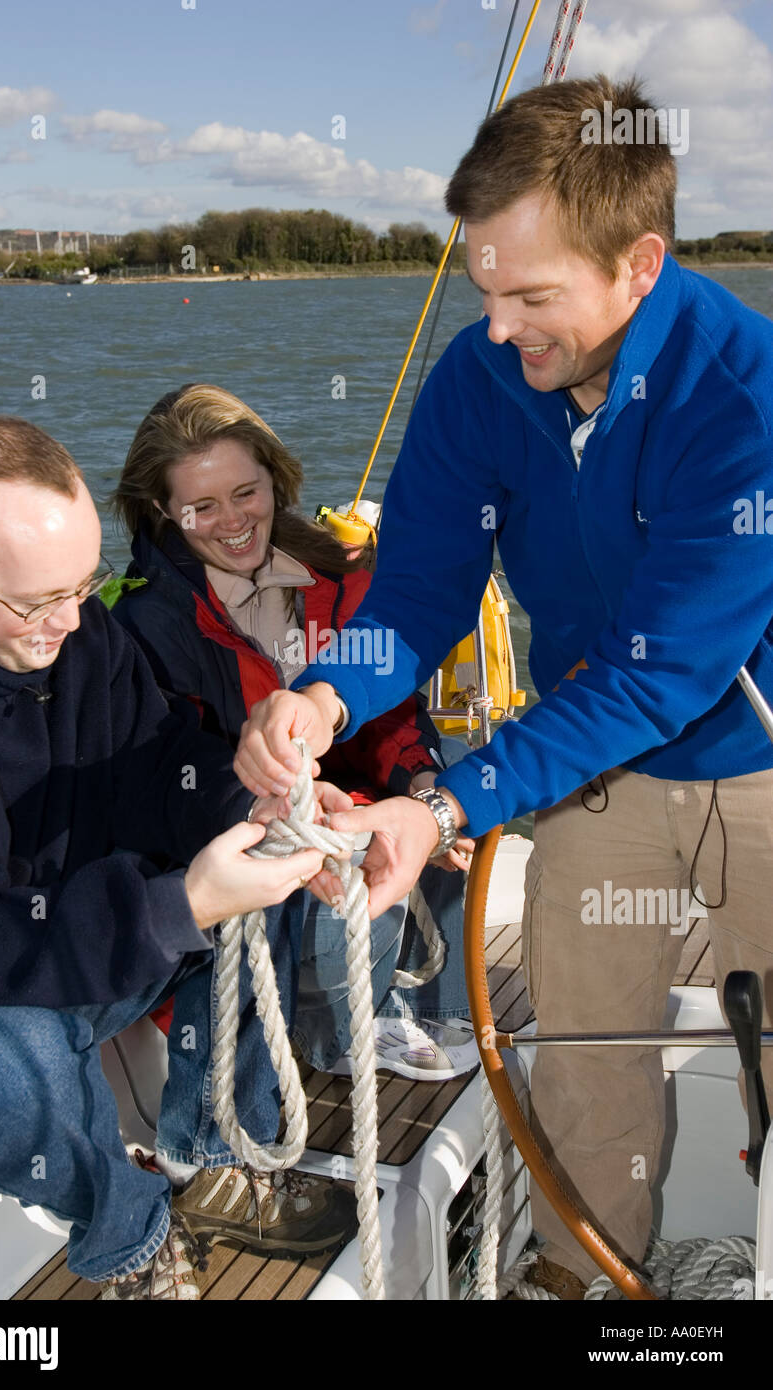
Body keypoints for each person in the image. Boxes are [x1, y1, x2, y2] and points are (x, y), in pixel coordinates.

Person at [233, 74, 773, 1299]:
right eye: (483, 285)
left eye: (531, 295)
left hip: (751, 758)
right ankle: (588, 1279)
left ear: (638, 264)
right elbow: (417, 592)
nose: (494, 327)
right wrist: (321, 697)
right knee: (585, 1046)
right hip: (595, 769)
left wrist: (440, 802)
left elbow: (661, 674)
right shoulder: (480, 380)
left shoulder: (747, 396)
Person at [0, 415, 359, 1302]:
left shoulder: (74, 628)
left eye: (87, 585)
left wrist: (255, 802)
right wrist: (173, 906)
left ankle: (219, 1156)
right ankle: (130, 1232)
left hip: (62, 944)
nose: (75, 622)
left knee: (259, 857)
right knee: (7, 1062)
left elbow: (156, 759)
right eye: (38, 601)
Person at [108, 382, 478, 1085]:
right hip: (243, 837)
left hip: (340, 809)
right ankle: (330, 1032)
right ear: (161, 510)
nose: (232, 523)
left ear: (275, 477)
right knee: (347, 840)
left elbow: (393, 711)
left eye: (246, 493)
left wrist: (423, 784)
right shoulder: (143, 626)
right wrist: (304, 808)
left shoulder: (341, 578)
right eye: (201, 507)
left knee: (454, 777)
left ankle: (437, 1006)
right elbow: (170, 775)